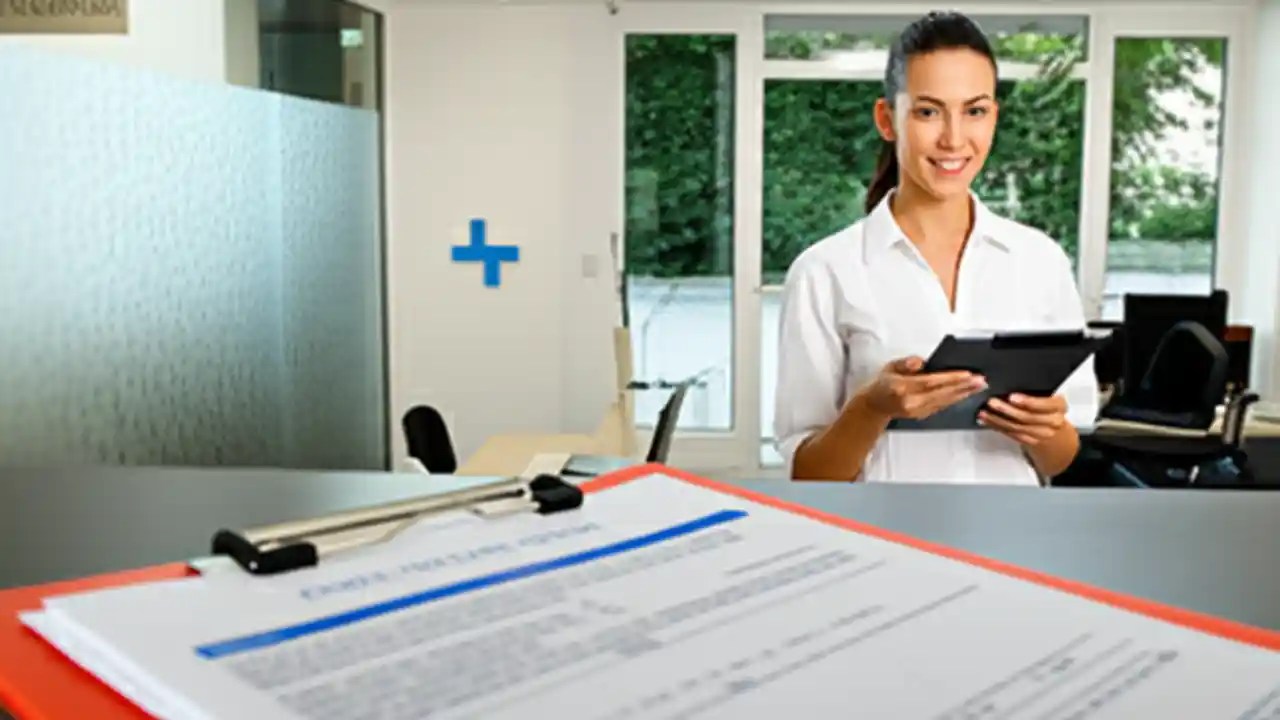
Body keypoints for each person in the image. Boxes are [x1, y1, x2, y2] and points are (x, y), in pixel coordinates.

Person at [773, 10, 1098, 485]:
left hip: (1007, 543)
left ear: (994, 117)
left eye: (975, 110)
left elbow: (1064, 456)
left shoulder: (1040, 261)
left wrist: (1039, 429)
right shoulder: (824, 272)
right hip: (883, 546)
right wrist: (871, 407)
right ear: (887, 119)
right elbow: (810, 474)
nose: (953, 139)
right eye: (928, 111)